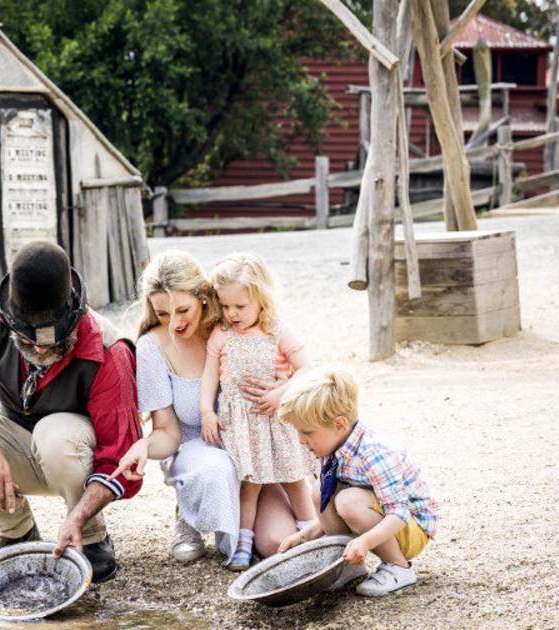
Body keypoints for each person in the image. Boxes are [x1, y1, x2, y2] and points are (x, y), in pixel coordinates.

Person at [0, 241, 140, 583]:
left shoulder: (109, 350)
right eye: (28, 340)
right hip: (17, 444)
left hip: (73, 455)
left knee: (54, 434)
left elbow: (121, 456)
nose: (41, 349)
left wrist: (78, 515)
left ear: (74, 314)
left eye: (51, 341)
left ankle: (90, 537)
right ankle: (17, 533)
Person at [114, 251, 309, 565]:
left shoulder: (234, 322)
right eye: (163, 314)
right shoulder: (153, 346)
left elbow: (298, 364)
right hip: (199, 450)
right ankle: (190, 510)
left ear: (203, 295)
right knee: (219, 469)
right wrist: (144, 446)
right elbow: (167, 433)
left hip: (256, 447)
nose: (174, 323)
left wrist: (282, 386)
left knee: (277, 542)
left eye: (183, 310)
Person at [199, 252, 317, 570]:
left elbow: (307, 368)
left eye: (240, 306)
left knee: (295, 479)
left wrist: (282, 392)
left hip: (277, 421)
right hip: (243, 425)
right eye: (225, 306)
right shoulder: (222, 334)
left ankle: (312, 534)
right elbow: (209, 376)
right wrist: (207, 411)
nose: (232, 314)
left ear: (261, 299)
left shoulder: (277, 330)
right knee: (249, 485)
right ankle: (242, 544)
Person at [277, 367, 439, 597]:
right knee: (321, 491)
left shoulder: (373, 452)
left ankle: (399, 567)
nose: (301, 440)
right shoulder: (331, 449)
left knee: (348, 500)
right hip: (382, 518)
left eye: (307, 432)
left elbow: (399, 512)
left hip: (411, 528)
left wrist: (364, 542)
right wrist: (304, 535)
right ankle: (347, 567)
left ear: (339, 425)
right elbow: (329, 505)